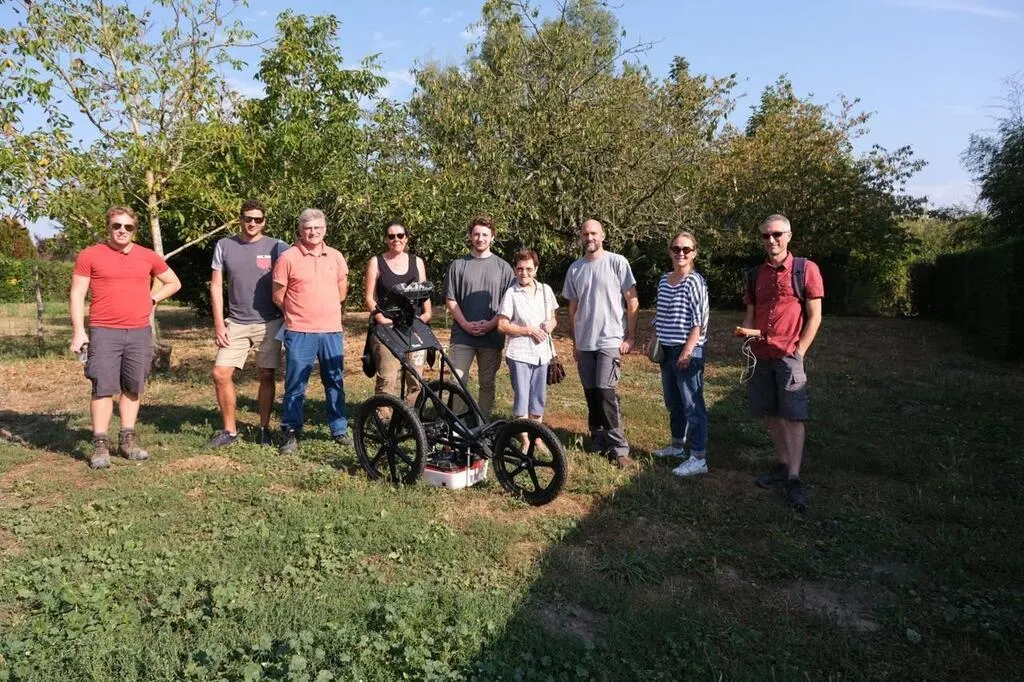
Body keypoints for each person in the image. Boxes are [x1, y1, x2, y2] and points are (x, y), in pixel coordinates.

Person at [69, 206, 182, 469]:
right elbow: (77, 294)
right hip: (103, 331)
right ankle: (100, 444)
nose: (122, 231)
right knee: (103, 388)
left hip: (139, 331)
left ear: (134, 230)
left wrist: (152, 299)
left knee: (133, 387)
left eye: (128, 227)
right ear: (108, 227)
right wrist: (79, 331)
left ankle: (127, 440)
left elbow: (174, 282)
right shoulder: (90, 255)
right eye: (117, 226)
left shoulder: (147, 256)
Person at [742, 214, 824, 511]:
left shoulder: (805, 269)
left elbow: (815, 316)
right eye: (765, 235)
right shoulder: (754, 274)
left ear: (788, 236)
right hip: (761, 355)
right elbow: (751, 314)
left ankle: (794, 477)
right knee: (770, 414)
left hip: (789, 355)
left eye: (777, 234)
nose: (771, 240)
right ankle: (783, 463)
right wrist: (745, 334)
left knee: (793, 416)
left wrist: (799, 351)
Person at [206, 199, 288, 448]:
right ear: (240, 219)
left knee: (266, 374)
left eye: (258, 219)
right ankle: (229, 431)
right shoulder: (224, 245)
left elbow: (294, 276)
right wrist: (219, 324)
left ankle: (264, 428)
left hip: (269, 322)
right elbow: (216, 286)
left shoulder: (278, 246)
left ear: (264, 222)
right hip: (236, 322)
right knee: (220, 373)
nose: (252, 223)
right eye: (248, 218)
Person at [271, 208, 350, 455]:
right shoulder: (288, 257)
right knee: (295, 384)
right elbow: (278, 295)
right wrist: (298, 313)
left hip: (331, 330)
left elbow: (342, 291)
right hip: (299, 331)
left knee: (334, 381)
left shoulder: (336, 256)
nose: (313, 232)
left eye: (317, 227)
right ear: (300, 230)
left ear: (324, 229)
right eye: (308, 228)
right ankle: (291, 431)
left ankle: (339, 429)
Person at [562, 218, 639, 469]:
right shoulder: (575, 268)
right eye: (585, 234)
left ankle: (619, 448)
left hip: (610, 338)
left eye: (594, 233)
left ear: (603, 236)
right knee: (591, 392)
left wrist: (631, 337)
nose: (590, 238)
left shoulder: (617, 262)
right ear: (580, 237)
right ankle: (597, 439)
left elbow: (632, 301)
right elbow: (572, 308)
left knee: (606, 392)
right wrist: (575, 342)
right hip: (585, 341)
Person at [443, 215, 514, 421]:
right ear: (469, 236)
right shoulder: (458, 265)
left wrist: (491, 324)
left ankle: (483, 423)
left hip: (491, 337)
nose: (480, 238)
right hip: (462, 335)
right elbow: (451, 299)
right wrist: (465, 324)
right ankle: (457, 424)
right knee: (457, 382)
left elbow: (509, 303)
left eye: (485, 234)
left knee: (487, 383)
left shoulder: (504, 268)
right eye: (476, 234)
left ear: (493, 237)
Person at [651, 232, 710, 476]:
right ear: (670, 251)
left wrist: (687, 351)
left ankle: (698, 457)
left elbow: (700, 321)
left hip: (687, 350)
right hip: (666, 349)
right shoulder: (664, 281)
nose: (681, 253)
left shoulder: (695, 282)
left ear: (694, 253)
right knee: (673, 402)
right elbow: (660, 314)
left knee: (692, 404)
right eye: (676, 249)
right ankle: (677, 446)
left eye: (686, 249)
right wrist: (655, 337)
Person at [363, 221, 432, 405]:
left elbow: (424, 292)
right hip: (387, 329)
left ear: (406, 238)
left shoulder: (417, 262)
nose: (396, 239)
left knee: (416, 379)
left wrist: (427, 314)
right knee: (387, 378)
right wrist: (380, 318)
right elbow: (369, 297)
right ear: (386, 239)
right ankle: (384, 417)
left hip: (413, 328)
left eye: (400, 235)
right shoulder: (376, 262)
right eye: (391, 236)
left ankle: (410, 416)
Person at [496, 248, 558, 427]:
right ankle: (523, 437)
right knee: (522, 397)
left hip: (542, 354)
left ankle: (537, 436)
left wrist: (551, 324)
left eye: (529, 269)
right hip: (520, 354)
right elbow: (502, 325)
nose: (524, 273)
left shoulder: (546, 290)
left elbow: (553, 318)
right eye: (520, 269)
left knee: (538, 397)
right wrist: (528, 331)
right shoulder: (511, 294)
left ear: (536, 269)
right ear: (515, 270)